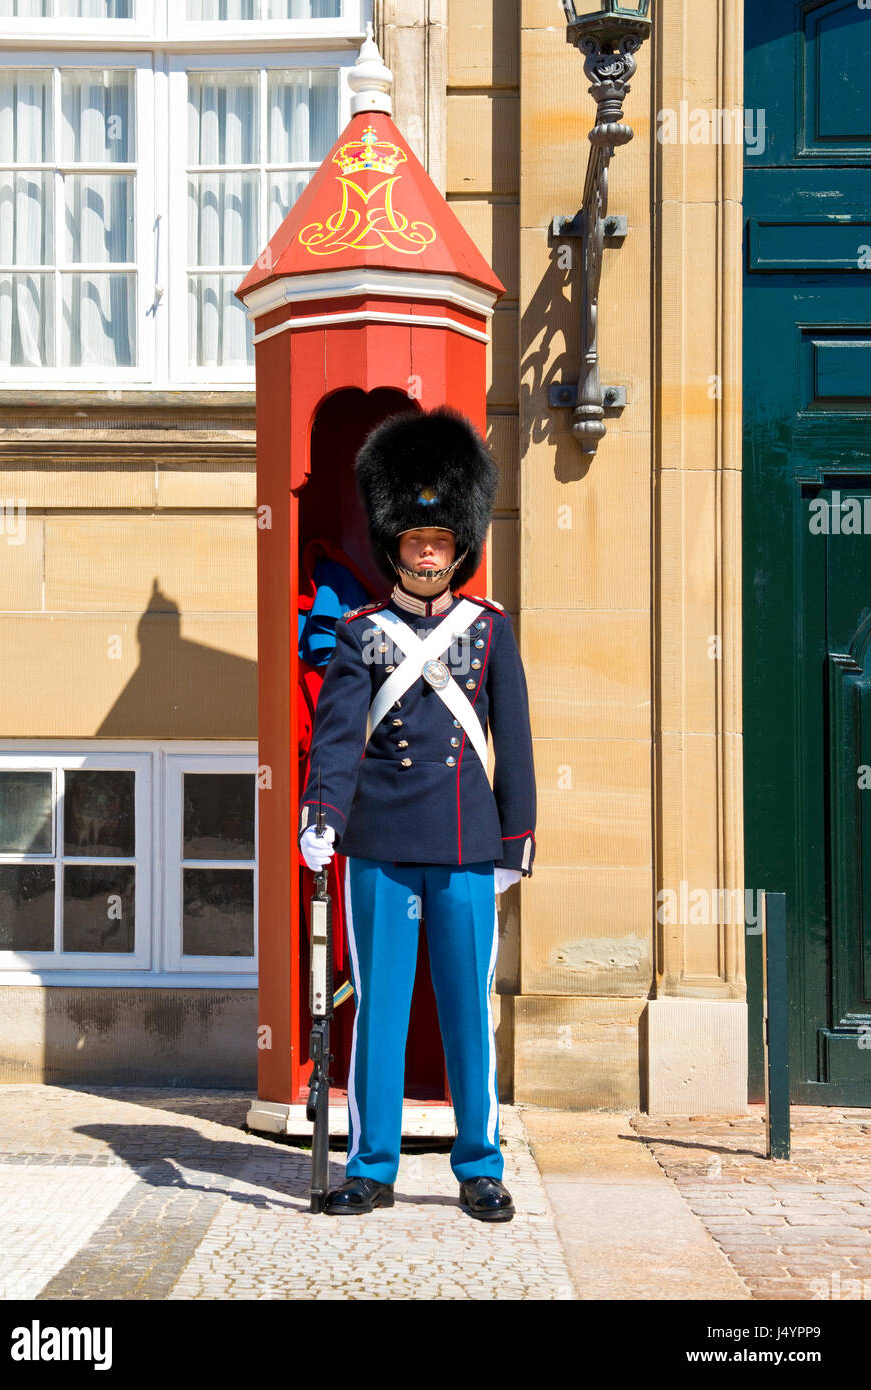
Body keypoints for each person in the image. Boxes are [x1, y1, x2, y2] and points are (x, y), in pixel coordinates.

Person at [297, 404, 536, 1221]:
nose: (427, 551)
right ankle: (372, 1165)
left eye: (439, 540)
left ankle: (480, 1165)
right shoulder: (363, 634)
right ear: (394, 545)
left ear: (456, 547)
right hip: (382, 844)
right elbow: (336, 740)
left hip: (469, 844)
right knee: (381, 1012)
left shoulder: (491, 631)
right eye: (413, 540)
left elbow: (517, 741)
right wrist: (320, 814)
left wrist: (518, 840)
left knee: (470, 1013)